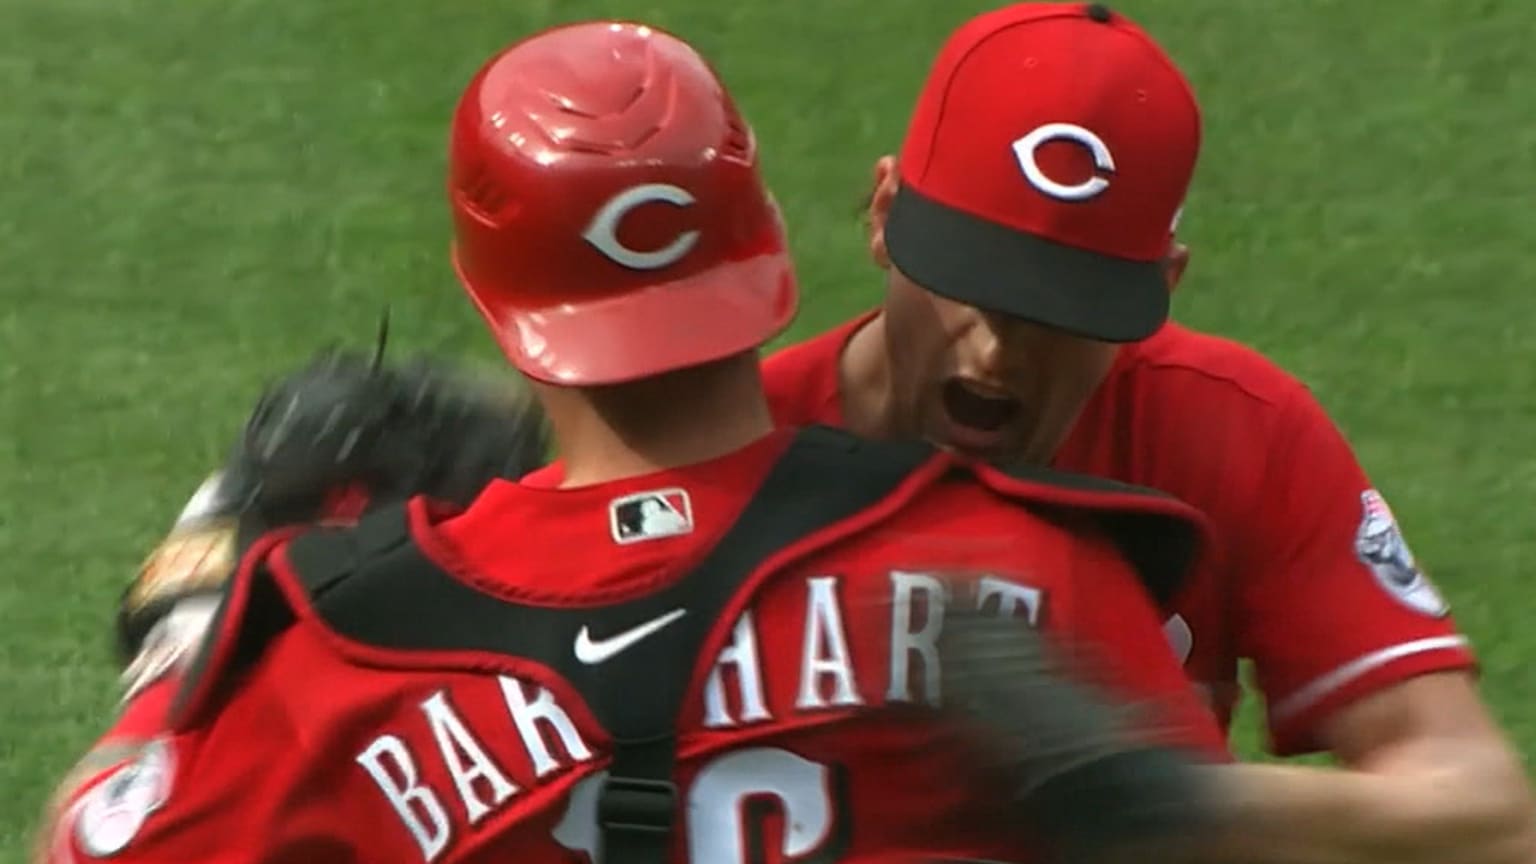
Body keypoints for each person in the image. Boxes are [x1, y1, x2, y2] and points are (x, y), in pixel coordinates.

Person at [36, 20, 1231, 864]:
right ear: (768, 247)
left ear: (496, 300)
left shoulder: (344, 655)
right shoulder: (1016, 566)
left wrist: (188, 642)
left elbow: (94, 842)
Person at [760, 3, 1536, 862]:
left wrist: (1174, 801)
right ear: (884, 214)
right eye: (968, 285)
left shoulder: (1234, 427)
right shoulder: (739, 451)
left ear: (1163, 282)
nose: (994, 352)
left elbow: (1492, 819)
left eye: (1060, 310)